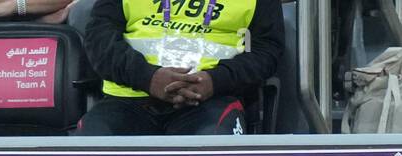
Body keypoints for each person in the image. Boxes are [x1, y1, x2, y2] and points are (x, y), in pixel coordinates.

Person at [78, 0, 283, 135]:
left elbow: (268, 51)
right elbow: (99, 40)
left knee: (216, 155)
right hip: (127, 99)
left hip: (212, 101)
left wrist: (215, 80)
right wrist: (148, 78)